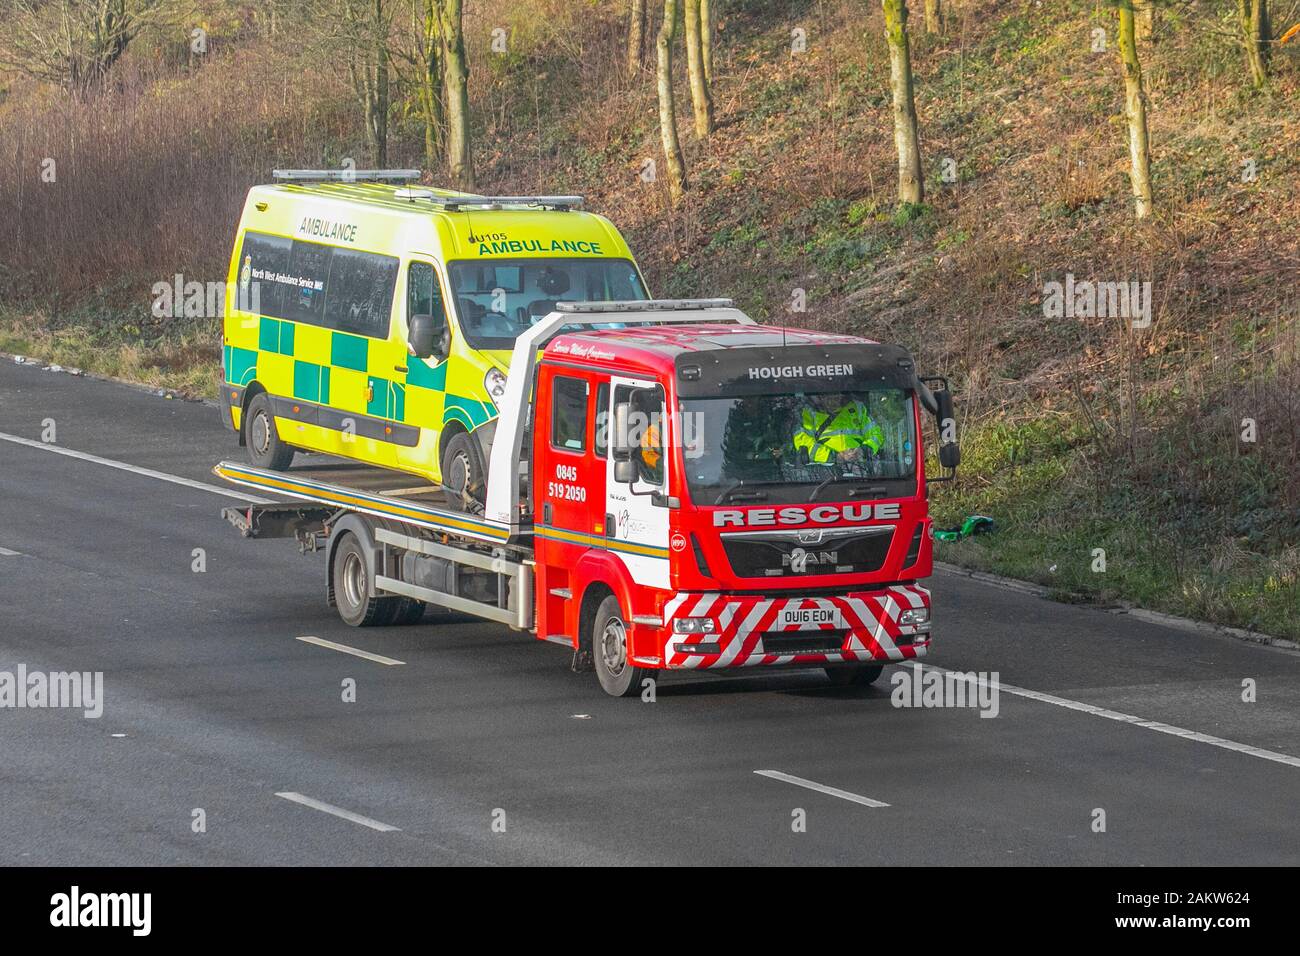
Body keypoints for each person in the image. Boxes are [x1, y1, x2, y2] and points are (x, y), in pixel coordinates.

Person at [792, 398, 885, 466]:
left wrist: (863, 450)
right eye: (826, 395)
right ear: (818, 397)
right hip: (823, 473)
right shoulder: (808, 412)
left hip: (861, 469)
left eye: (836, 393)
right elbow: (803, 444)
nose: (833, 398)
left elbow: (876, 434)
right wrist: (834, 457)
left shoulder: (858, 407)